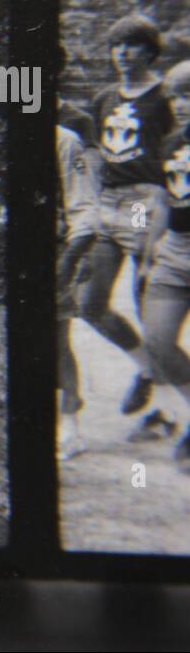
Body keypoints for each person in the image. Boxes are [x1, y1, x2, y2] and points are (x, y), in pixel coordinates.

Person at [79, 13, 174, 437]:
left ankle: (167, 412)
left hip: (147, 199)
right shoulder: (104, 99)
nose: (122, 53)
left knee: (146, 303)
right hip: (109, 202)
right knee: (91, 303)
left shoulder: (165, 97)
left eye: (132, 46)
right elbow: (98, 155)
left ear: (150, 51)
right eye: (117, 46)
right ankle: (147, 369)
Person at [136, 60, 190, 471]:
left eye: (188, 94)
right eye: (176, 96)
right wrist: (148, 252)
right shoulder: (171, 141)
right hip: (175, 250)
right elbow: (159, 200)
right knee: (157, 339)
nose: (182, 104)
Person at [57, 100, 101, 460]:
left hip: (54, 252)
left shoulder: (65, 139)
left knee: (57, 341)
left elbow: (84, 205)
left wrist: (73, 256)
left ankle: (70, 426)